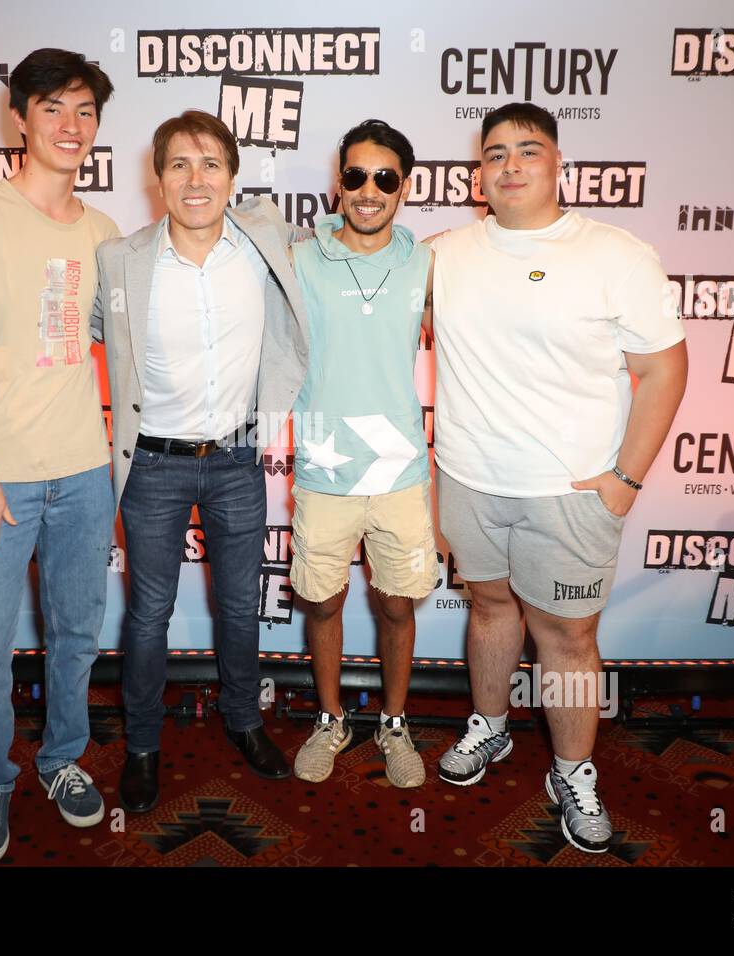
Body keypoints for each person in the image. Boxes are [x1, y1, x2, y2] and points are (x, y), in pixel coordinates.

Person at [430, 102, 688, 853]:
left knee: (568, 637)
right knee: (487, 608)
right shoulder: (446, 253)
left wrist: (625, 480)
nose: (510, 165)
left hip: (572, 491)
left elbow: (664, 367)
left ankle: (573, 769)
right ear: (478, 171)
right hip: (469, 478)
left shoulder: (614, 253)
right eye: (495, 153)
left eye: (528, 150)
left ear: (557, 163)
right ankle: (490, 727)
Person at [0, 48, 118, 865]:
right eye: (53, 110)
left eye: (84, 113)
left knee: (77, 632)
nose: (70, 127)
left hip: (84, 470)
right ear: (20, 119)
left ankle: (63, 759)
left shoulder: (106, 231)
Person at [91, 110, 310, 813]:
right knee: (149, 612)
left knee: (241, 606)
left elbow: (349, 245)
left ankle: (245, 722)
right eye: (179, 164)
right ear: (156, 179)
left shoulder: (267, 241)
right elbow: (64, 336)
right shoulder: (119, 259)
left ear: (233, 177)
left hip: (239, 460)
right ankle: (145, 745)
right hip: (151, 465)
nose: (196, 178)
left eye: (211, 163)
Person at [287, 120, 437, 788]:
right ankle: (331, 719)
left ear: (404, 186)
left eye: (384, 178)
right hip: (324, 468)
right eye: (356, 176)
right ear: (337, 184)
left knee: (398, 604)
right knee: (322, 603)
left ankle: (394, 724)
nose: (369, 191)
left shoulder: (429, 260)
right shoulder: (300, 258)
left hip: (400, 470)